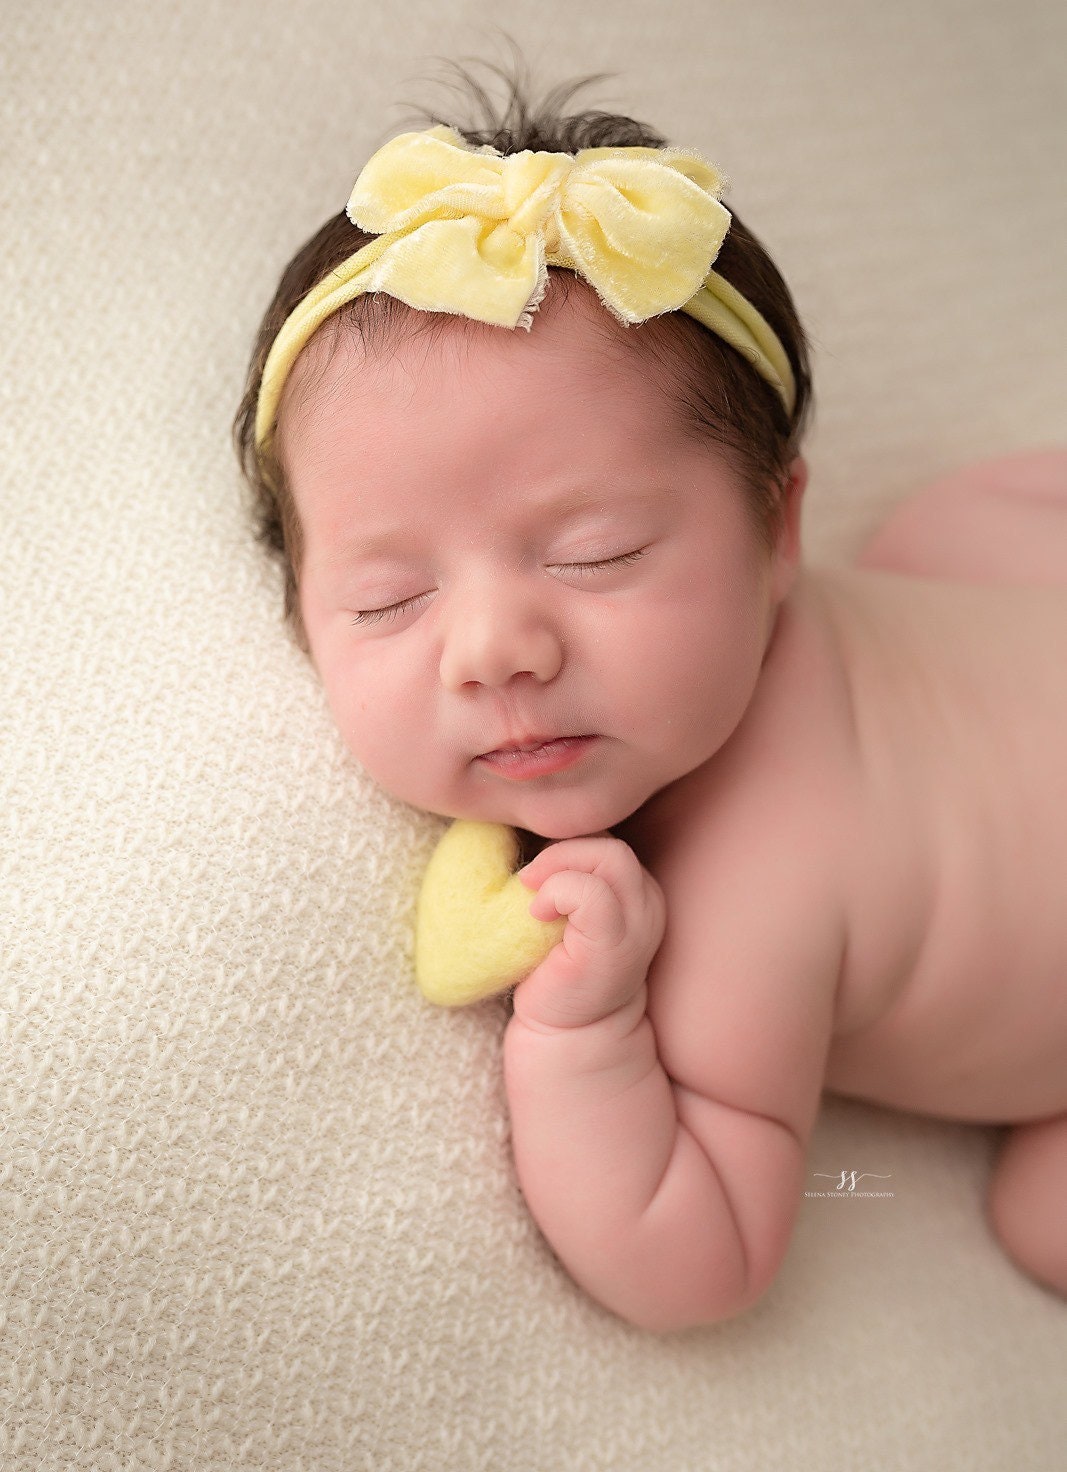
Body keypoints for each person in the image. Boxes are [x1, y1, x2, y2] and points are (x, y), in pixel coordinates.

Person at [232, 68, 1067, 1332]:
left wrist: (586, 1032)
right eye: (390, 596)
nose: (495, 650)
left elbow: (702, 1258)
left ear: (776, 530)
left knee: (1039, 1211)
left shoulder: (755, 891)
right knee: (950, 529)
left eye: (597, 554)